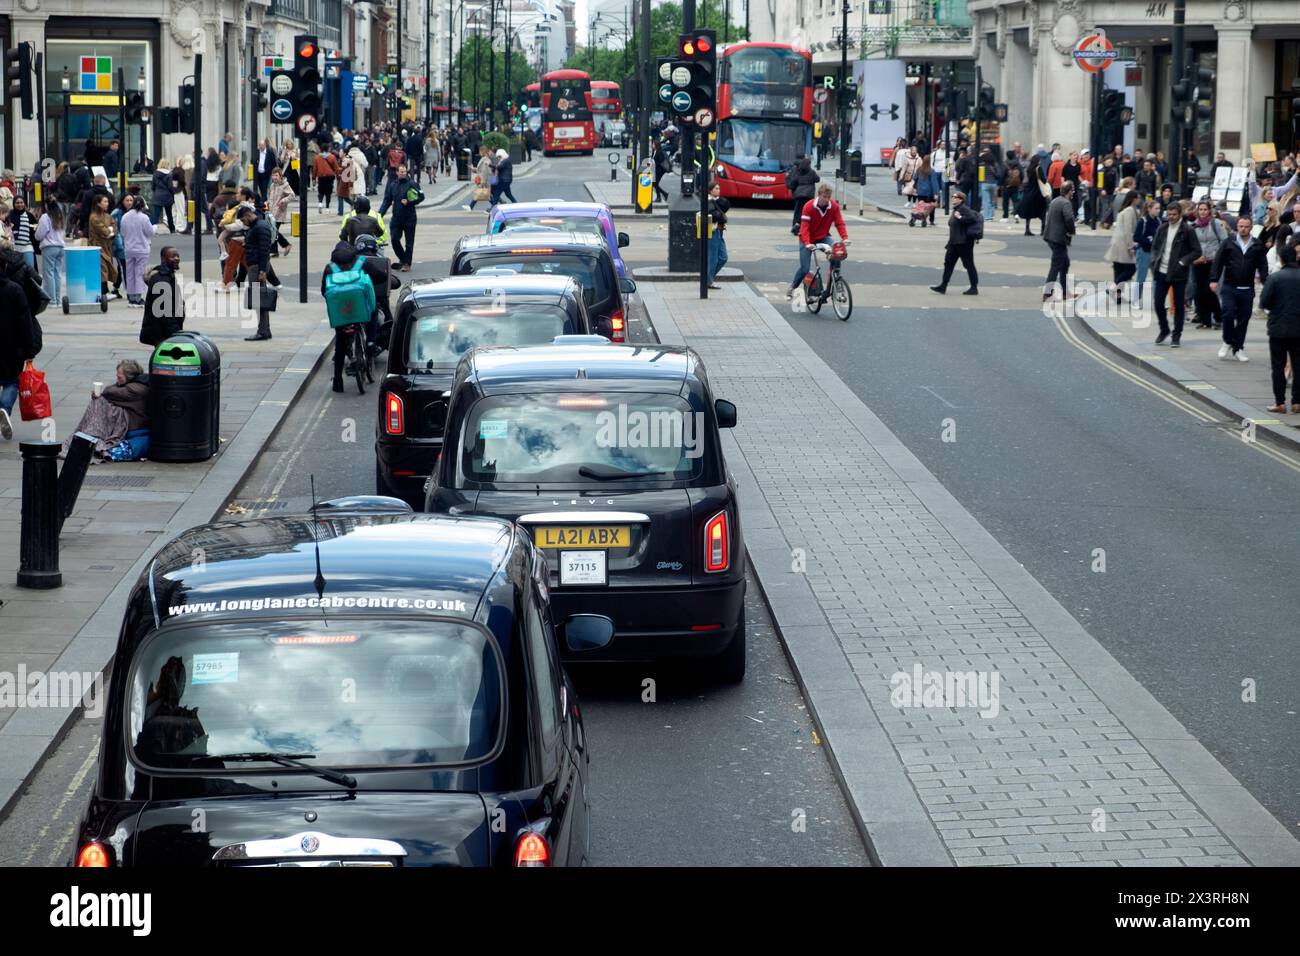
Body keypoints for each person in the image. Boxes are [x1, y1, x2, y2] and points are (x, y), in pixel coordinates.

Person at [60, 359, 149, 461]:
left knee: (99, 402)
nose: (117, 379)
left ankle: (92, 435)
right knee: (101, 401)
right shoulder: (135, 384)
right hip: (132, 421)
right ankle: (90, 434)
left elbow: (108, 391)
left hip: (133, 427)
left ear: (129, 377)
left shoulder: (134, 390)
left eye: (119, 377)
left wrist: (101, 395)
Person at [322, 240, 381, 392]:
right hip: (360, 309)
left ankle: (338, 380)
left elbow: (324, 291)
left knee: (340, 344)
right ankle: (370, 342)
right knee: (373, 311)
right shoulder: (361, 262)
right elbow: (381, 275)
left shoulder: (330, 267)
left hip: (343, 313)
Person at [1209, 214, 1269, 362]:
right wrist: (1214, 279)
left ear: (1251, 227)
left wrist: (1265, 279)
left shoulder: (1257, 244)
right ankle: (1227, 341)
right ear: (1237, 226)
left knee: (1244, 318)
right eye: (1241, 226)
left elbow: (1262, 264)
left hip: (1247, 288)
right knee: (1228, 314)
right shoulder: (1229, 242)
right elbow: (1218, 261)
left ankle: (1238, 348)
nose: (1243, 229)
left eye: (1246, 226)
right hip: (1229, 285)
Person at [1149, 202, 1202, 347]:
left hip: (1179, 273)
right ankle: (1164, 329)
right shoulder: (1162, 227)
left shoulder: (1187, 230)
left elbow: (1197, 251)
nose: (1171, 217)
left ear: (1179, 214)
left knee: (1179, 306)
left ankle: (1176, 335)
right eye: (1169, 214)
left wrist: (1182, 262)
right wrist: (1153, 262)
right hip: (1161, 271)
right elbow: (1155, 247)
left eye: (1174, 215)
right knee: (1158, 303)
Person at [0, 264, 42, 441]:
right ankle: (4, 408)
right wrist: (29, 350)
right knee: (11, 381)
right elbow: (25, 321)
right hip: (12, 346)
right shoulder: (14, 290)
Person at [1261, 234, 1300, 413]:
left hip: (1278, 328)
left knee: (1278, 365)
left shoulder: (1275, 278)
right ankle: (1297, 402)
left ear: (1281, 259)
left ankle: (1280, 403)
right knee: (1299, 365)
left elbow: (1265, 302)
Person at [788, 183, 848, 300]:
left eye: (828, 197)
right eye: (824, 197)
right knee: (805, 268)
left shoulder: (834, 207)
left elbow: (839, 223)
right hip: (807, 239)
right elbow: (804, 228)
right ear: (819, 195)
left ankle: (837, 284)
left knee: (837, 253)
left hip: (823, 237)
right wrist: (807, 243)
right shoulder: (809, 206)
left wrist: (845, 237)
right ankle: (793, 287)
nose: (826, 200)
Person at [929, 190, 981, 296]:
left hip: (964, 243)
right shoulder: (956, 209)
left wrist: (960, 217)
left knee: (969, 265)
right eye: (952, 196)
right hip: (954, 243)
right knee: (948, 264)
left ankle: (974, 287)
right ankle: (943, 286)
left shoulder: (964, 209)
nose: (953, 198)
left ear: (961, 200)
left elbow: (972, 218)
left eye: (956, 197)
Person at [1190, 200, 1228, 329]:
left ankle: (1218, 318)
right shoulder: (1193, 226)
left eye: (1205, 209)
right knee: (1199, 292)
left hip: (1213, 262)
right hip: (1198, 262)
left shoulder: (1215, 223)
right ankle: (1204, 319)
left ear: (1209, 210)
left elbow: (1224, 242)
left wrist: (1216, 256)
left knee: (1209, 290)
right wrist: (1195, 257)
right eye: (1200, 209)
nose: (1203, 212)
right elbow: (1191, 244)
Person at [241, 205, 276, 341]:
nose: (244, 223)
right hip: (256, 265)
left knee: (258, 299)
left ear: (248, 215)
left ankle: (262, 331)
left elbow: (264, 250)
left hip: (256, 267)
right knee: (260, 298)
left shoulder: (260, 227)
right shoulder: (257, 226)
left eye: (244, 220)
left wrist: (262, 270)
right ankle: (265, 329)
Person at [140, 246, 185, 348]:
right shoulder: (161, 279)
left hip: (164, 330)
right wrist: (176, 333)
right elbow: (165, 311)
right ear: (163, 259)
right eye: (172, 256)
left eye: (177, 256)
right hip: (161, 332)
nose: (177, 258)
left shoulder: (168, 275)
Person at [1103, 190, 1142, 302]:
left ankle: (1118, 297)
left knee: (1119, 269)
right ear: (1133, 199)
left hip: (1116, 241)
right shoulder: (1130, 210)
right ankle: (1112, 288)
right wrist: (1130, 247)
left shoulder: (1124, 209)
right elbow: (1128, 229)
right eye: (1138, 198)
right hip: (1123, 243)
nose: (1139, 200)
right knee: (1131, 269)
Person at [379, 163, 418, 272]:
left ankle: (407, 264)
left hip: (409, 217)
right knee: (394, 239)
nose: (403, 173)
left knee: (409, 243)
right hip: (396, 217)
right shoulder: (393, 185)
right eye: (401, 172)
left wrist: (410, 201)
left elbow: (421, 197)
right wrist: (379, 215)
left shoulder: (412, 184)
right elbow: (387, 201)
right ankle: (403, 258)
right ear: (397, 173)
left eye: (405, 171)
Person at [1042, 182, 1077, 301]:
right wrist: (1071, 231)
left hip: (1051, 236)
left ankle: (1065, 292)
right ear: (1069, 192)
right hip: (1059, 238)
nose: (1073, 193)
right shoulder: (1066, 203)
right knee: (1056, 266)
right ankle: (1047, 293)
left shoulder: (1055, 200)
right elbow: (1069, 219)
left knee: (1065, 263)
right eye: (1072, 190)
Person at [120, 197, 155, 307]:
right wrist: (155, 228)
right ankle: (138, 298)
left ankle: (131, 297)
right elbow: (150, 232)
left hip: (129, 249)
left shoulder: (125, 216)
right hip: (141, 249)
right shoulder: (144, 218)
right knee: (139, 273)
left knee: (130, 273)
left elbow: (122, 232)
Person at [87, 193, 119, 301]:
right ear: (98, 203)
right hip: (97, 247)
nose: (107, 204)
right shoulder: (94, 217)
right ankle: (103, 291)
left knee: (107, 267)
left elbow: (114, 227)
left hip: (107, 246)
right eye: (104, 202)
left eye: (107, 201)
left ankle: (104, 290)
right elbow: (104, 231)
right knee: (102, 268)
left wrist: (110, 230)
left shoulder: (107, 216)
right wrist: (109, 230)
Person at [34, 201, 66, 306]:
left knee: (48, 274)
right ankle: (58, 300)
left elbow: (39, 235)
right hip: (60, 247)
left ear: (47, 206)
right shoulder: (60, 217)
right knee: (57, 274)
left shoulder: (45, 217)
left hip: (49, 247)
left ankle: (52, 301)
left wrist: (36, 232)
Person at [1134, 200, 1162, 303]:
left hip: (1155, 253)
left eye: (1159, 208)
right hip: (1144, 252)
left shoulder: (1158, 221)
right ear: (1149, 209)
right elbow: (1136, 237)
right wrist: (1148, 240)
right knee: (1141, 278)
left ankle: (1157, 301)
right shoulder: (1143, 221)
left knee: (1157, 278)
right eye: (1156, 208)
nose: (1158, 211)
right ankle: (1136, 300)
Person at [786, 154, 819, 235]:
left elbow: (793, 182)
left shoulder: (798, 171)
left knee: (797, 211)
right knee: (808, 212)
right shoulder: (811, 172)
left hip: (799, 194)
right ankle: (801, 226)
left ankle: (795, 225)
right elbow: (817, 179)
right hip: (808, 195)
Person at [705, 180, 729, 289]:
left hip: (719, 231)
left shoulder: (717, 201)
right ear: (710, 191)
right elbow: (714, 215)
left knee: (723, 257)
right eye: (716, 189)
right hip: (712, 231)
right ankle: (708, 280)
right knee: (713, 258)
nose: (718, 191)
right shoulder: (708, 201)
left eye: (719, 188)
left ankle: (708, 278)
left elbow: (725, 207)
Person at [1017, 155, 1049, 236]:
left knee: (1029, 211)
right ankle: (1043, 229)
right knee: (1042, 210)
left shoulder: (1029, 169)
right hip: (1038, 192)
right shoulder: (1039, 168)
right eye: (1039, 160)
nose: (1040, 161)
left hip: (1029, 191)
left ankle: (1027, 229)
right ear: (1037, 161)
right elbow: (1044, 181)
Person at [6, 195, 38, 272]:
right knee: (16, 273)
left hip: (27, 247)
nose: (20, 204)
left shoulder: (29, 215)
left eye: (21, 202)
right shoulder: (9, 215)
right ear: (14, 204)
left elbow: (35, 230)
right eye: (17, 203)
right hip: (14, 248)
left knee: (30, 270)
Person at [463, 146, 494, 212]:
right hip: (482, 179)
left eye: (480, 151)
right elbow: (480, 170)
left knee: (481, 194)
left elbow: (485, 172)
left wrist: (483, 182)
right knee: (486, 194)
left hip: (483, 180)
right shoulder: (483, 159)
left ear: (483, 152)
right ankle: (494, 205)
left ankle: (470, 207)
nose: (479, 153)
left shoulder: (485, 160)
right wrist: (473, 169)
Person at [313, 146, 340, 213]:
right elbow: (336, 168)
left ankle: (320, 204)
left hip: (321, 176)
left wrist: (314, 178)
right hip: (330, 176)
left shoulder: (317, 157)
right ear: (328, 149)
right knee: (328, 192)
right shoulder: (332, 157)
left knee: (321, 191)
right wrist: (338, 176)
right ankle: (327, 208)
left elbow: (315, 168)